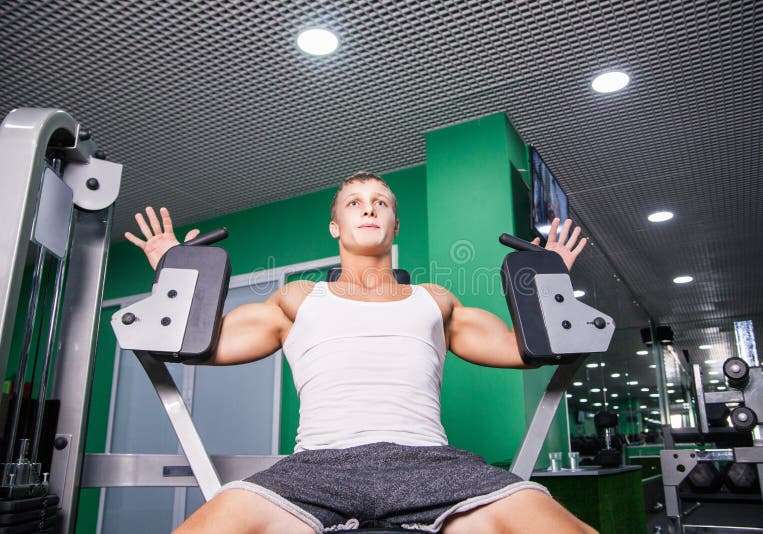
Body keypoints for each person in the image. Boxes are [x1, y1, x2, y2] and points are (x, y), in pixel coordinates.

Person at [125, 172, 594, 534]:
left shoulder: (436, 300)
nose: (368, 210)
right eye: (355, 203)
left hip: (432, 466)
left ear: (394, 224)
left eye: (381, 203)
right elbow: (195, 347)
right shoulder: (296, 298)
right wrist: (176, 273)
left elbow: (525, 349)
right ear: (336, 225)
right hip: (316, 470)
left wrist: (550, 281)